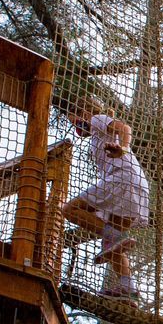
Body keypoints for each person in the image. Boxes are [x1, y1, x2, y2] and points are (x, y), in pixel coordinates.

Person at [61, 101, 150, 300]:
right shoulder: (96, 136)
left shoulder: (97, 119)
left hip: (122, 179)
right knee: (112, 244)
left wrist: (123, 148)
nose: (76, 127)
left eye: (75, 121)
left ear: (83, 112)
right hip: (137, 185)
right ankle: (129, 289)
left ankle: (114, 237)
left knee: (68, 210)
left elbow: (124, 128)